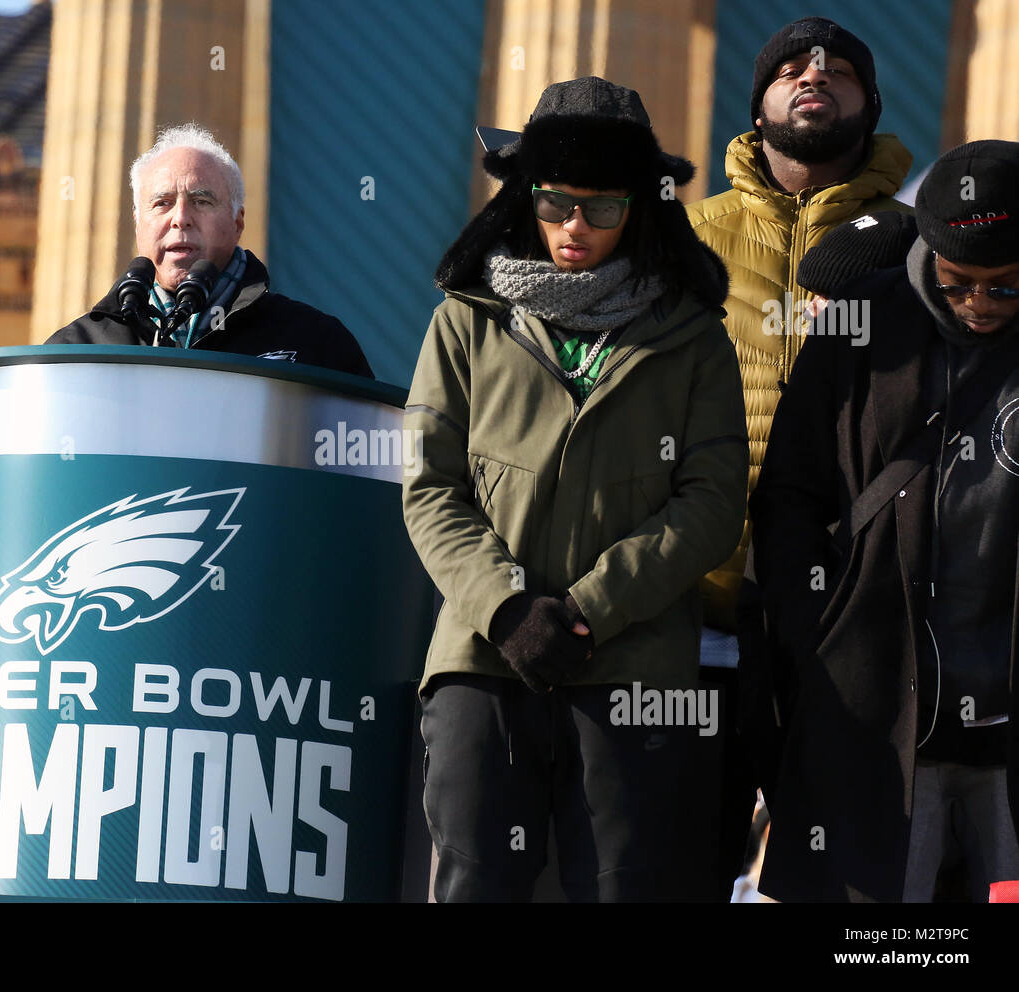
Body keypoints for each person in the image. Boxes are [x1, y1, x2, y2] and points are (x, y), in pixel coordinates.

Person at [402, 76, 748, 902]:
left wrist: (591, 608)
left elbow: (711, 505)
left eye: (601, 208)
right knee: (473, 884)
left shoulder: (694, 337)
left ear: (639, 208)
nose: (573, 228)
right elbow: (428, 484)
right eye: (556, 203)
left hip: (632, 672)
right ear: (527, 195)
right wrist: (510, 608)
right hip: (481, 660)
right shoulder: (465, 318)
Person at [751, 140, 1019, 902]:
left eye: (1006, 289)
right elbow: (790, 498)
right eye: (959, 283)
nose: (979, 305)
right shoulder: (861, 325)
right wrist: (814, 632)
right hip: (879, 717)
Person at [685, 15, 912, 900]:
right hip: (696, 606)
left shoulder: (916, 248)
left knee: (838, 883)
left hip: (848, 618)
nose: (814, 74)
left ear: (871, 105)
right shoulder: (686, 241)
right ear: (760, 105)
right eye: (790, 67)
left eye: (840, 69)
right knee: (676, 861)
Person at [48, 123, 374, 378]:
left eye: (202, 201)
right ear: (138, 223)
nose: (180, 219)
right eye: (162, 203)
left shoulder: (315, 342)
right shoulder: (75, 349)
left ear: (238, 220)